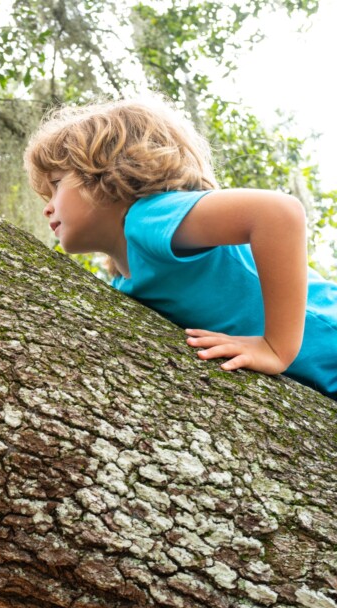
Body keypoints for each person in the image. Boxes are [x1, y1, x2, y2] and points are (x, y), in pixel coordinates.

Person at [23, 97, 337, 399]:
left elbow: (279, 214)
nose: (47, 209)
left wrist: (275, 347)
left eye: (56, 184)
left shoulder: (149, 219)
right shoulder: (122, 280)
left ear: (106, 173)